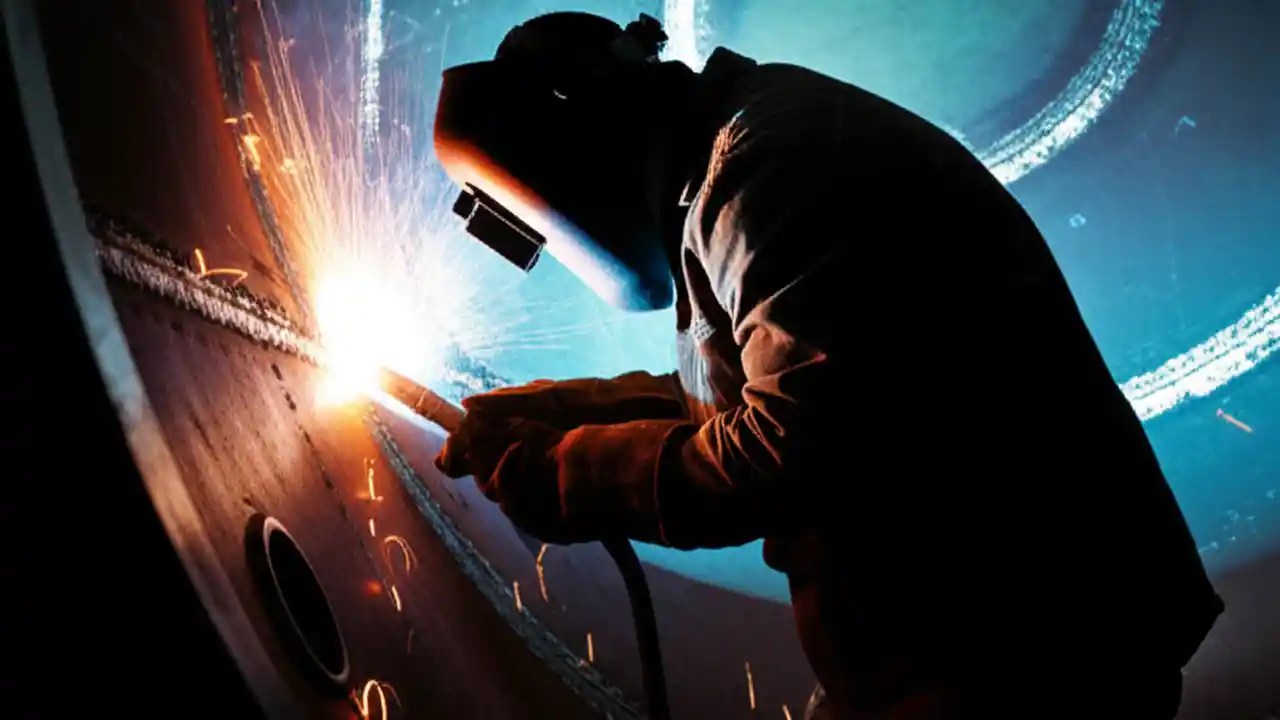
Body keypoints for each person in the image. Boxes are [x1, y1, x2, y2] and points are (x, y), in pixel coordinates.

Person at [431, 12, 1223, 719]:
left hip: (1030, 652)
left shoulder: (767, 169)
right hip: (973, 639)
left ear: (585, 125)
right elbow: (764, 393)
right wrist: (560, 410)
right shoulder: (735, 156)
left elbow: (789, 448)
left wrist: (565, 475)